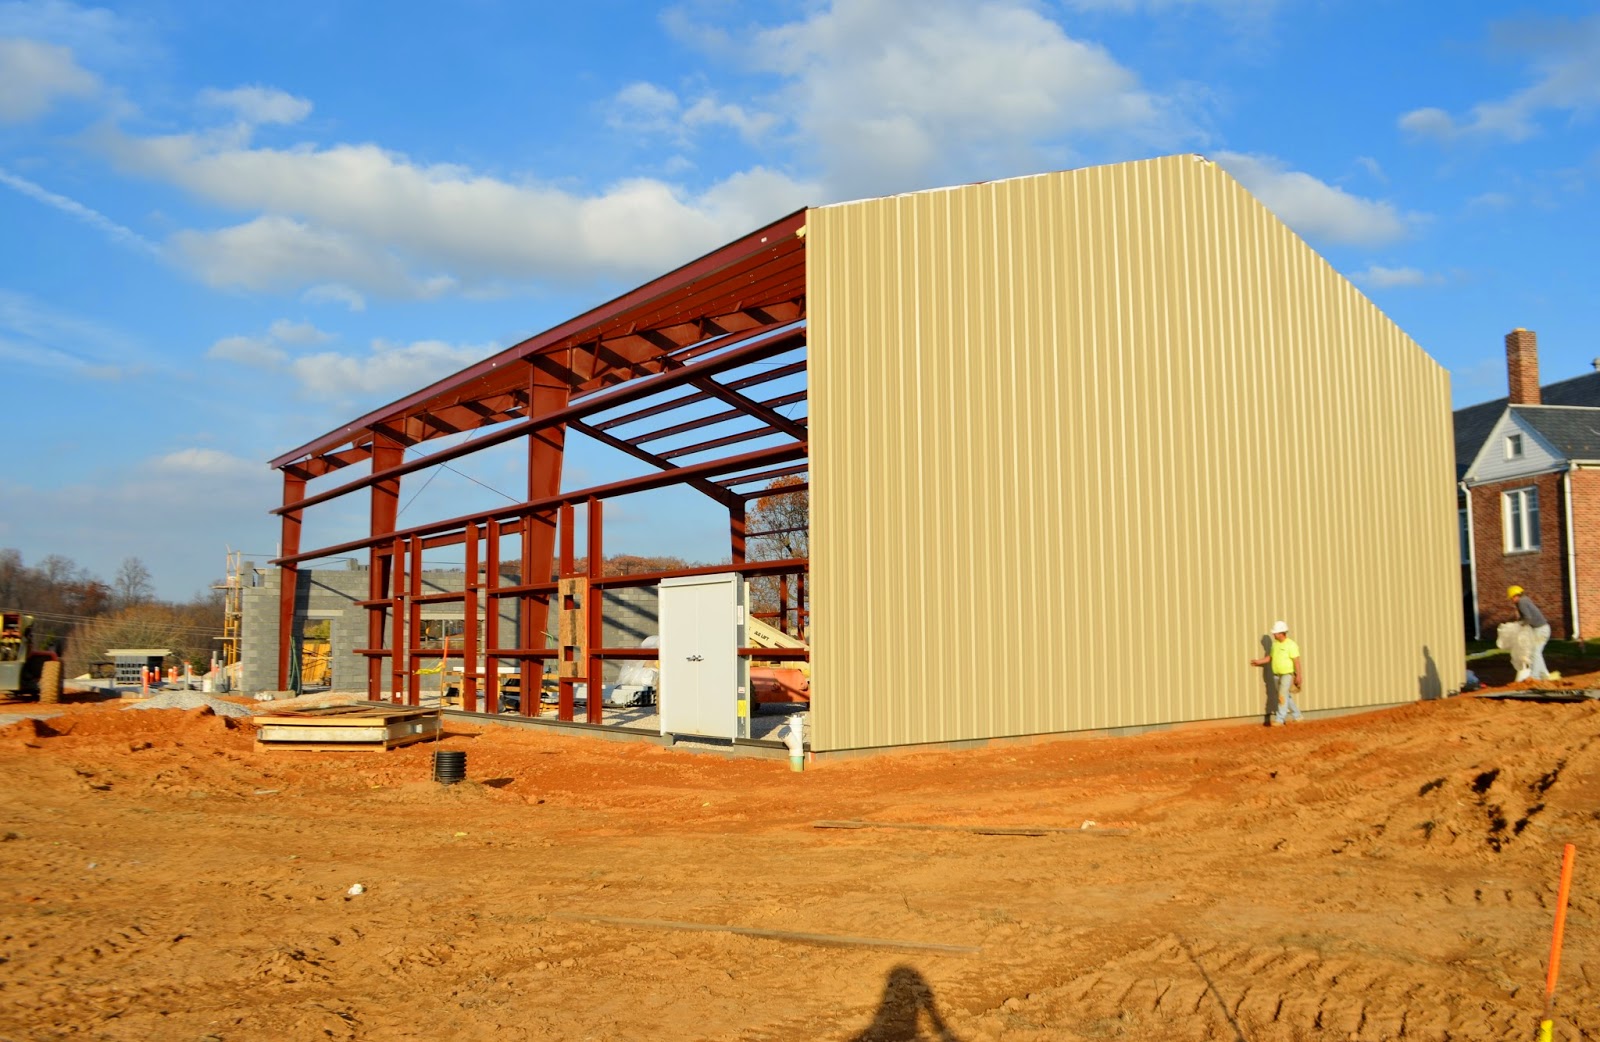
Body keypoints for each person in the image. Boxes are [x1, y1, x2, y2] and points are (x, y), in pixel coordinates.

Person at [1250, 620, 1303, 725]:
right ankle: (1298, 715)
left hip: (1287, 674)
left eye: (1275, 633)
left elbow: (1296, 661)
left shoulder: (1291, 645)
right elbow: (1270, 658)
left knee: (1282, 696)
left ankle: (1280, 719)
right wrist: (1258, 661)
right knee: (1285, 696)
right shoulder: (1275, 645)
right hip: (1276, 675)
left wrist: (1299, 675)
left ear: (1282, 633)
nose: (1274, 634)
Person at [1507, 585, 1551, 682]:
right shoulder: (1525, 600)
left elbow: (1528, 618)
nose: (1511, 600)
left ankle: (1535, 676)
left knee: (1535, 652)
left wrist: (1520, 624)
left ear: (1515, 596)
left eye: (1511, 598)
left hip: (1541, 630)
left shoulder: (1522, 602)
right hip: (1541, 629)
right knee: (1536, 653)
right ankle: (1544, 675)